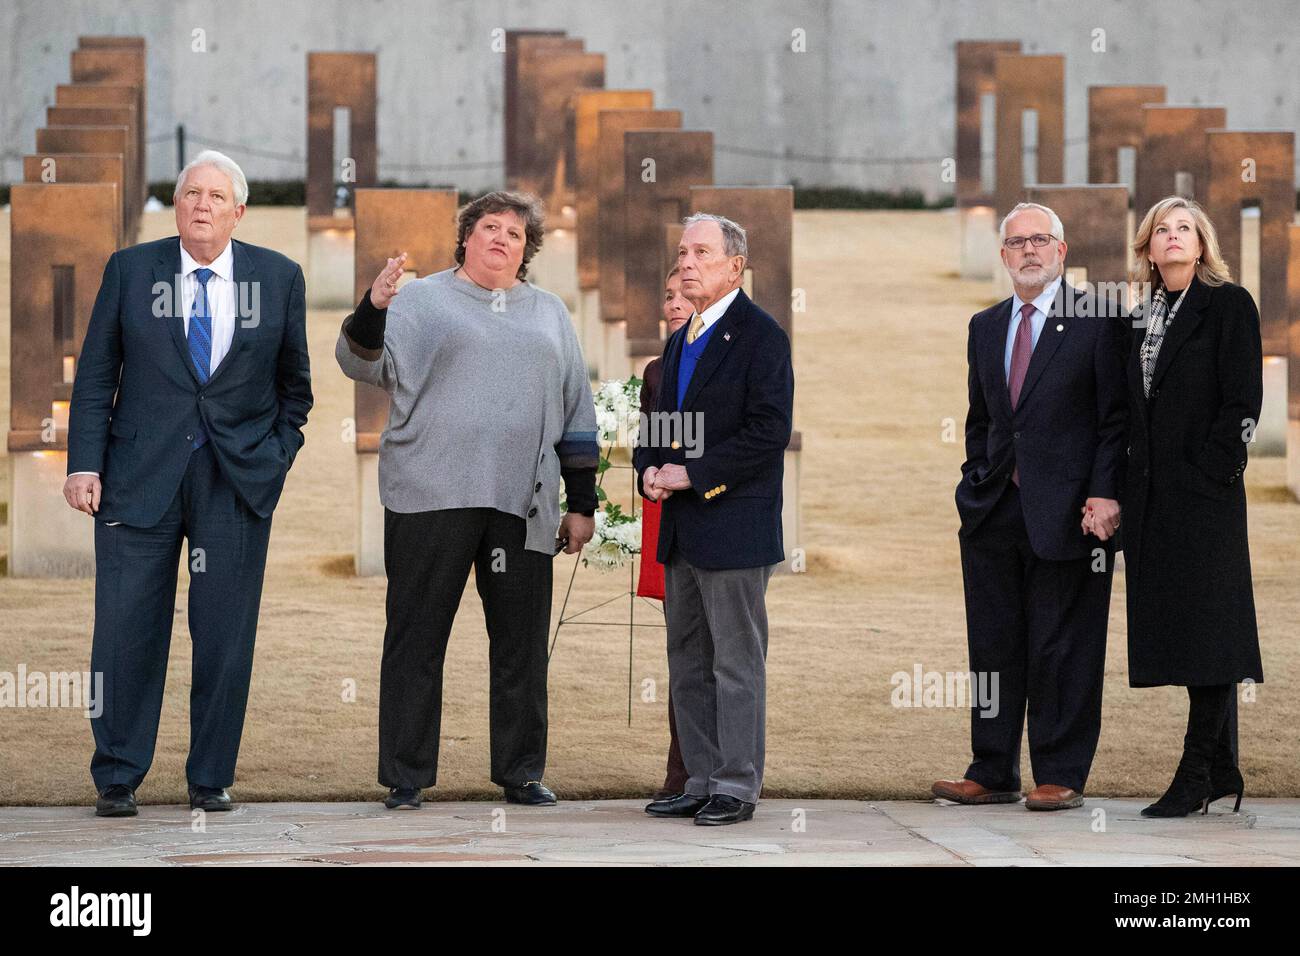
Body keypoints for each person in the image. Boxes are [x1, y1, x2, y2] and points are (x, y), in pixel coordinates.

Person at [64, 149, 313, 817]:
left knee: (225, 634)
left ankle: (211, 777)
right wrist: (84, 463)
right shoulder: (130, 270)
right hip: (137, 479)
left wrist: (274, 457)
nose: (201, 204)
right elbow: (94, 379)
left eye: (215, 195)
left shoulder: (279, 277)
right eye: (190, 194)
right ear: (176, 207)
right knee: (124, 630)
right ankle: (117, 776)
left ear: (239, 211)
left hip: (234, 484)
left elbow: (297, 391)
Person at [335, 190, 598, 810]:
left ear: (527, 248)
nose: (502, 239)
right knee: (417, 638)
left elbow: (577, 412)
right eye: (489, 227)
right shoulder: (422, 300)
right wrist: (373, 307)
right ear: (466, 237)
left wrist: (581, 503)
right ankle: (405, 775)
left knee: (520, 643)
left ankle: (520, 771)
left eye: (514, 232)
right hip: (431, 496)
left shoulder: (550, 312)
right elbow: (357, 361)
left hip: (521, 503)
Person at [934, 202, 1127, 811]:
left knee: (1063, 646)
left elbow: (1116, 420)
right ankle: (991, 769)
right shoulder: (985, 326)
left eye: (1040, 240)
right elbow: (982, 421)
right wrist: (973, 484)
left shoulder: (1098, 319)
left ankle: (1060, 771)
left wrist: (1104, 491)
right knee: (992, 646)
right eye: (1017, 243)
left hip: (1071, 514)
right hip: (994, 511)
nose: (1029, 251)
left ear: (1062, 251)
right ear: (1003, 255)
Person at [635, 213, 793, 826]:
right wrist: (650, 469)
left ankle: (736, 783)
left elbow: (766, 433)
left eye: (702, 251)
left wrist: (693, 475)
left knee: (736, 661)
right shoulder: (681, 337)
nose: (687, 262)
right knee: (689, 661)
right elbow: (661, 426)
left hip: (734, 526)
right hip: (681, 530)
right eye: (682, 251)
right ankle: (699, 778)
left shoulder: (761, 337)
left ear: (736, 266)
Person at [1122, 197, 1264, 817]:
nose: (1173, 237)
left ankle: (1195, 772)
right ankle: (1224, 769)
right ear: (1148, 249)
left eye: (1184, 229)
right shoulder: (1137, 318)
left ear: (1201, 244)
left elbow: (1243, 403)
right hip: (1153, 501)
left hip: (1206, 499)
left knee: (1211, 631)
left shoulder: (1229, 304)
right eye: (1162, 230)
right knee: (1185, 630)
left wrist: (1212, 474)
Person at [638, 266, 693, 799]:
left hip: (722, 517)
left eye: (683, 293)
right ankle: (681, 773)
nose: (674, 302)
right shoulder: (658, 373)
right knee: (683, 650)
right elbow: (654, 443)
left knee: (723, 654)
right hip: (669, 517)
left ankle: (725, 771)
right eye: (668, 293)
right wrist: (648, 472)